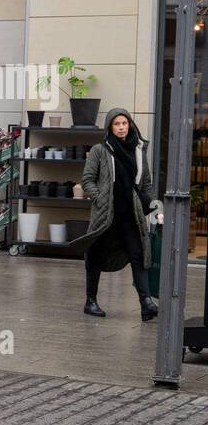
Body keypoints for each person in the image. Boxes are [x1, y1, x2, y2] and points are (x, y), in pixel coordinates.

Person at [78, 109, 160, 321]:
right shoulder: (100, 150)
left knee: (139, 255)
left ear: (130, 125)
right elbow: (87, 180)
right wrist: (100, 199)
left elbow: (147, 184)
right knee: (96, 254)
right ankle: (91, 301)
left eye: (125, 123)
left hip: (131, 214)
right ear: (110, 127)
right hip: (107, 215)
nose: (122, 127)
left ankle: (146, 303)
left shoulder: (139, 151)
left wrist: (152, 203)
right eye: (117, 124)